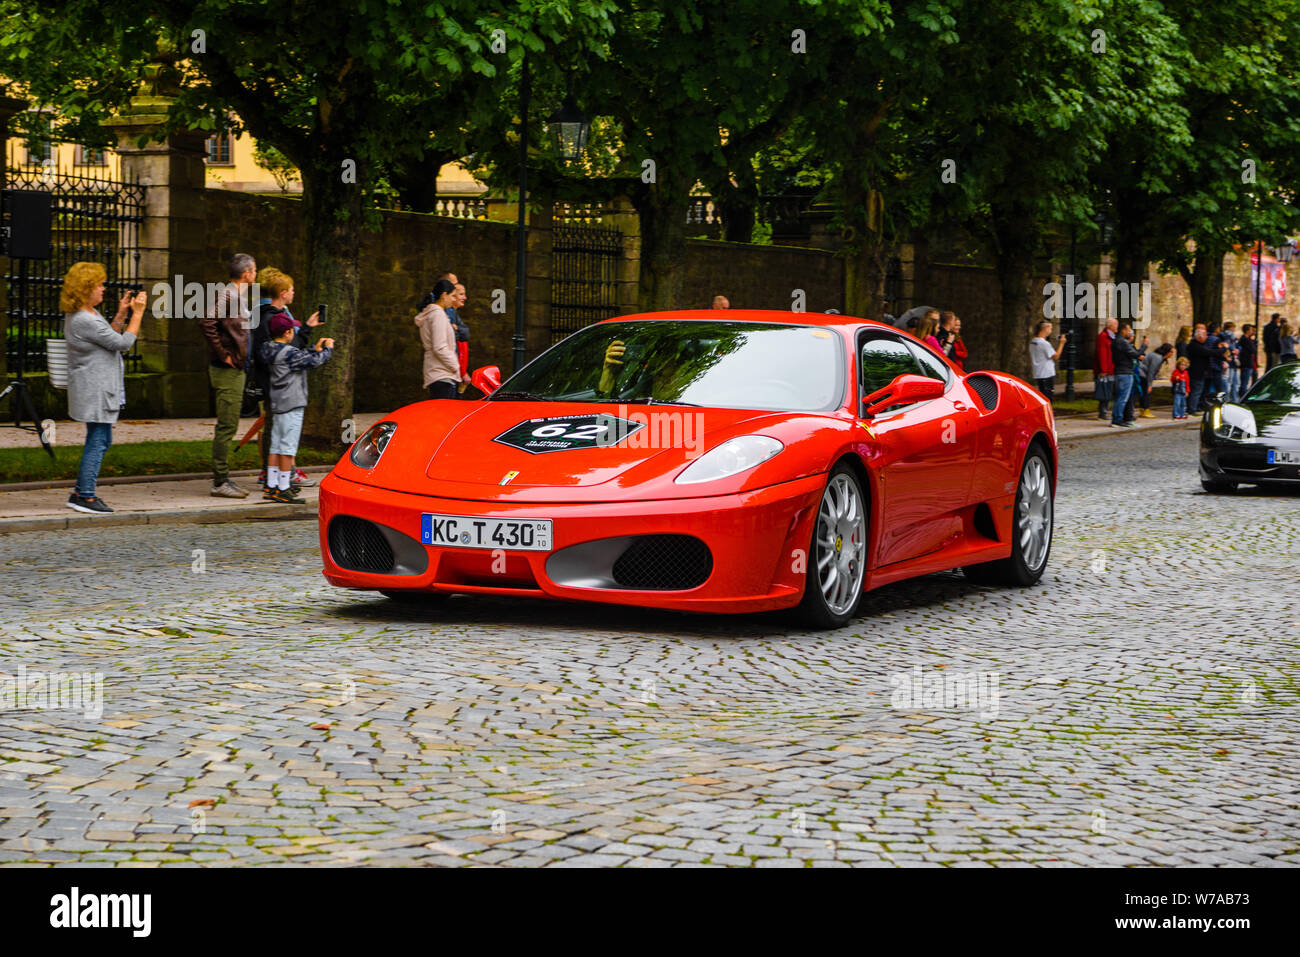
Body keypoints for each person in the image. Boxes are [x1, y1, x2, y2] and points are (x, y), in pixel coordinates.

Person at [61, 263, 145, 513]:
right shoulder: (84, 319)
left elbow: (107, 338)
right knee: (98, 440)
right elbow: (122, 343)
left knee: (101, 438)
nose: (103, 288)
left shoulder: (87, 314)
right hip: (95, 389)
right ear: (86, 288)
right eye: (99, 284)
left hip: (96, 387)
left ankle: (79, 490)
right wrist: (138, 313)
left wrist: (121, 314)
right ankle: (85, 496)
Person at [251, 270, 321, 490]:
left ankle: (275, 476)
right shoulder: (270, 318)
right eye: (291, 290)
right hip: (280, 386)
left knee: (276, 432)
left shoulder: (268, 314)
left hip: (275, 383)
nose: (294, 293)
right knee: (282, 435)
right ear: (282, 293)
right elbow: (289, 351)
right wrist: (311, 336)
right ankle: (282, 478)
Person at [260, 313, 334, 504]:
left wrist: (312, 349)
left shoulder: (269, 349)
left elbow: (300, 358)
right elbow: (314, 361)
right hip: (292, 405)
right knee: (288, 449)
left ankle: (271, 485)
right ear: (287, 333)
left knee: (275, 447)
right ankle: (284, 487)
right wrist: (327, 349)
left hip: (277, 404)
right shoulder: (289, 354)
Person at [201, 252, 257, 499]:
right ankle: (219, 481)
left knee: (229, 424)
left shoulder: (237, 297)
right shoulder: (226, 295)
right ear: (247, 274)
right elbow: (206, 321)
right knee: (226, 426)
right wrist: (223, 354)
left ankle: (223, 478)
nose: (255, 275)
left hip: (236, 368)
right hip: (227, 370)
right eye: (254, 271)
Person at [415, 279, 461, 398]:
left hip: (438, 373)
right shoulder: (437, 315)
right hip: (441, 374)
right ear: (444, 295)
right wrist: (454, 365)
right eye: (452, 296)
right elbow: (439, 347)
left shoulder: (434, 314)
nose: (454, 299)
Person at [1110, 323, 1142, 428]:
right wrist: (1144, 346)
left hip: (1120, 371)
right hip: (1125, 372)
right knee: (1123, 397)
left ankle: (1119, 418)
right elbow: (1134, 353)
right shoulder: (1122, 342)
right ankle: (1117, 419)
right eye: (1128, 330)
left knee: (1120, 396)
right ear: (1123, 330)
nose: (1129, 332)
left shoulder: (1115, 341)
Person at [1030, 320, 1066, 398]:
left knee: (1042, 395)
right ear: (1045, 329)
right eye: (1050, 328)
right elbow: (1056, 356)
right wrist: (1062, 343)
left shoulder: (1033, 341)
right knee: (1048, 397)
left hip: (1038, 373)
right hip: (1046, 374)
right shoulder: (1044, 343)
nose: (1051, 330)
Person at [1185, 323, 1216, 414]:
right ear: (1200, 337)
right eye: (1205, 335)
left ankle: (1195, 407)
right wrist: (1222, 350)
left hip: (1200, 372)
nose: (1207, 337)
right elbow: (1209, 352)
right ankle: (1192, 409)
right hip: (1197, 372)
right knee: (1196, 391)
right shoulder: (1196, 346)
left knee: (1199, 391)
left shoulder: (1198, 345)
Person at [1138, 343, 1172, 418]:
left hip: (1143, 373)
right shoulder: (1158, 358)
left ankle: (1143, 409)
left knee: (1144, 393)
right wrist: (1150, 384)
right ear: (1167, 351)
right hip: (1142, 374)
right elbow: (1151, 371)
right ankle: (1145, 410)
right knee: (1146, 392)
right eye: (1171, 352)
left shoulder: (1159, 357)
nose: (1172, 354)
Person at [449, 282, 471, 395]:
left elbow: (465, 334)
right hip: (454, 372)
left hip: (457, 371)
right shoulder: (449, 314)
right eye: (461, 294)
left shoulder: (454, 314)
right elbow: (457, 341)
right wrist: (462, 372)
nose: (465, 298)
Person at [1094, 317, 1118, 420]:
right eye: (1115, 324)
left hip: (1111, 369)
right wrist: (1103, 370)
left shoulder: (1112, 337)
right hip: (1106, 370)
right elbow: (1102, 354)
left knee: (1108, 390)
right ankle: (1103, 412)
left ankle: (1105, 411)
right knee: (1104, 390)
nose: (1117, 326)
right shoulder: (1103, 337)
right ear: (1110, 326)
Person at [1220, 322, 1240, 401]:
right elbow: (1231, 346)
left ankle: (1232, 400)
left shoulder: (1223, 335)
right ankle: (1232, 400)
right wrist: (1234, 350)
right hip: (1231, 361)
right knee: (1232, 383)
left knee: (1231, 383)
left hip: (1230, 361)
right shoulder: (1230, 335)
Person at [1238, 324, 1259, 394]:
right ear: (1247, 331)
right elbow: (1253, 350)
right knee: (1244, 383)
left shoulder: (1248, 339)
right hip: (1246, 363)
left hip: (1249, 363)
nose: (1252, 331)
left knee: (1245, 382)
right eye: (1250, 330)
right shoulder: (1245, 340)